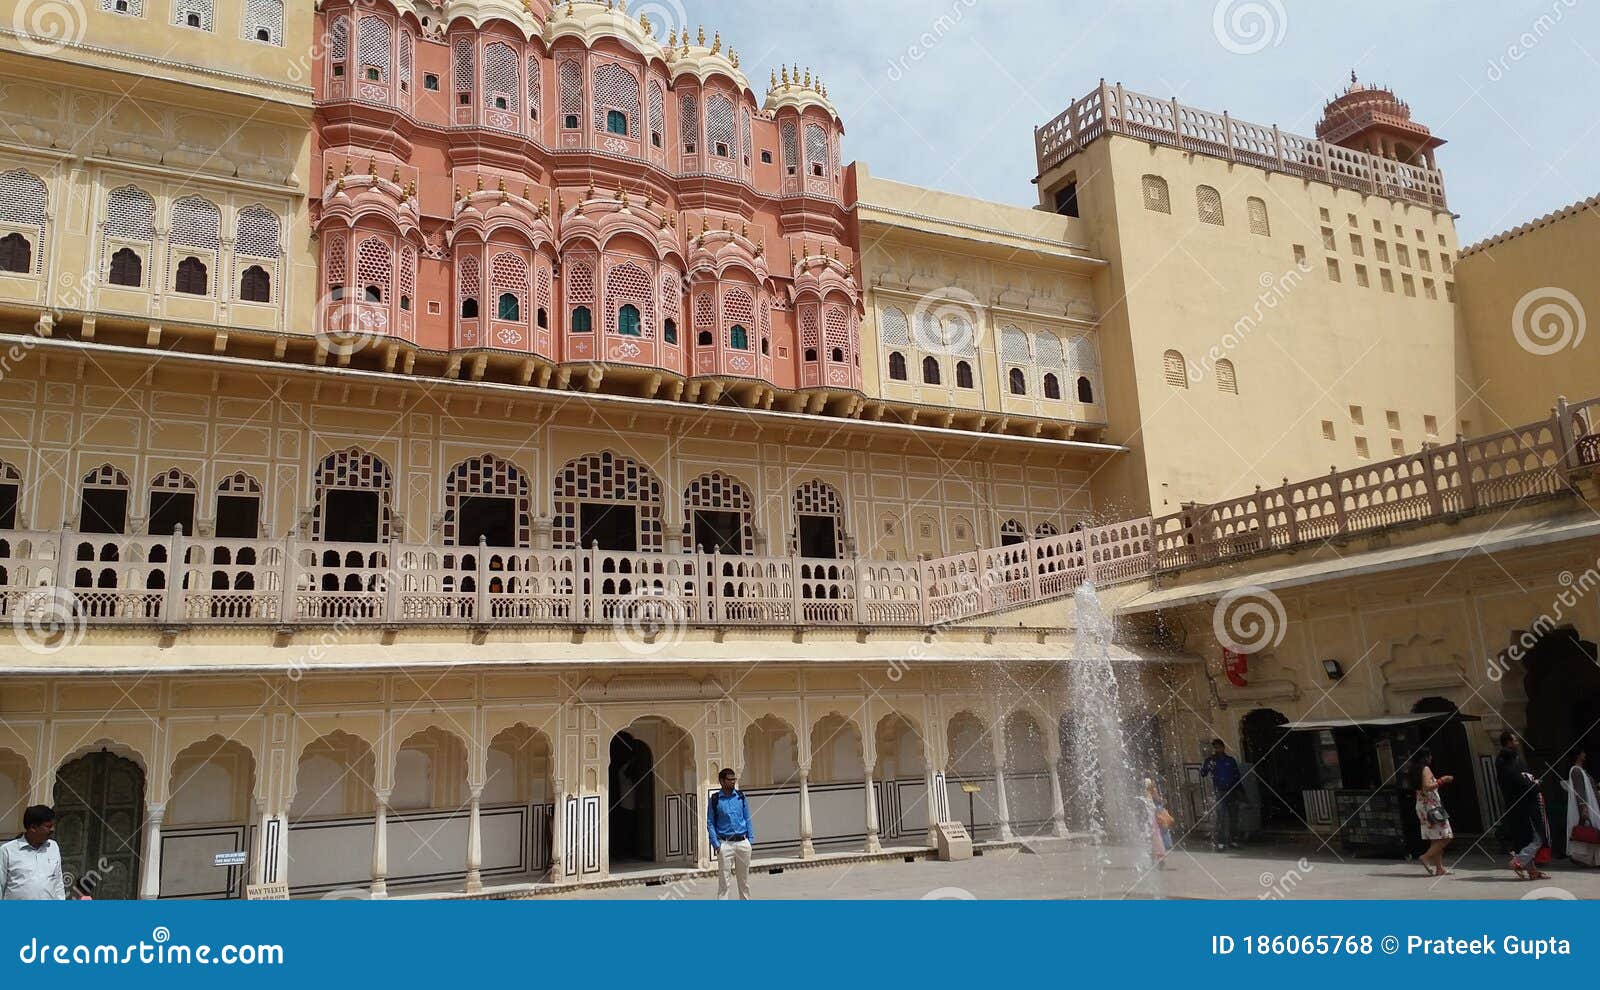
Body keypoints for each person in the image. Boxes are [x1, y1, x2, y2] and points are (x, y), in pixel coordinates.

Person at [1495, 730, 1550, 880]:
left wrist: (1532, 783)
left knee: (1527, 837)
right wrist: (1534, 785)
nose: (1517, 743)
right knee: (1537, 837)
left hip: (1525, 803)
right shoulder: (1506, 761)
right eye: (1515, 740)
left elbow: (1523, 777)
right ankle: (1518, 861)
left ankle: (1532, 870)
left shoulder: (1514, 759)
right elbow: (1518, 781)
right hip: (1521, 806)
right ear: (1508, 742)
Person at [706, 768, 754, 900]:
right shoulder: (715, 799)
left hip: (742, 843)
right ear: (721, 781)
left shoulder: (740, 796)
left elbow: (747, 818)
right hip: (724, 844)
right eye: (730, 779)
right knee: (724, 883)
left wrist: (750, 841)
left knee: (744, 881)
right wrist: (716, 844)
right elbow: (710, 822)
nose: (733, 782)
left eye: (734, 779)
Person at [0, 805, 64, 900]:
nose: (52, 830)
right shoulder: (7, 850)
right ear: (33, 827)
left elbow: (58, 882)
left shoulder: (53, 847)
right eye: (48, 826)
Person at [1410, 747, 1453, 876]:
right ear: (1426, 757)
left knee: (1435, 838)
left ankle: (1440, 868)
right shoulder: (1426, 769)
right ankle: (1426, 857)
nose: (1431, 758)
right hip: (1431, 807)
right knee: (1446, 837)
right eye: (1430, 756)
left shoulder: (1414, 770)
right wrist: (1442, 780)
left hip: (1422, 806)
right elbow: (1427, 787)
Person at [1199, 738, 1243, 850]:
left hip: (1232, 791)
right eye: (1215, 748)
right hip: (1219, 792)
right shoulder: (1211, 761)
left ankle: (1233, 840)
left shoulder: (1230, 760)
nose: (1217, 749)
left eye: (1219, 747)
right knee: (1221, 818)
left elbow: (1237, 776)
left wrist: (1240, 791)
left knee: (1234, 817)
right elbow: (1203, 773)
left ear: (1223, 747)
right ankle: (1221, 842)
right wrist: (1207, 762)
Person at [1564, 750, 1600, 867]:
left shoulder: (1581, 770)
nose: (1585, 754)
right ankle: (1584, 859)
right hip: (1586, 807)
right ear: (1578, 755)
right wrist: (1583, 808)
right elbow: (1579, 791)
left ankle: (1593, 860)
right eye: (1583, 752)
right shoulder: (1575, 770)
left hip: (1591, 805)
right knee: (1590, 833)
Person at [1144, 778, 1173, 867]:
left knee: (1154, 838)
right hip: (1155, 820)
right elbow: (1157, 802)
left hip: (1154, 820)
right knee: (1156, 838)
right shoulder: (1151, 792)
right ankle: (1157, 858)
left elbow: (1152, 804)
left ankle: (1157, 858)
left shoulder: (1149, 793)